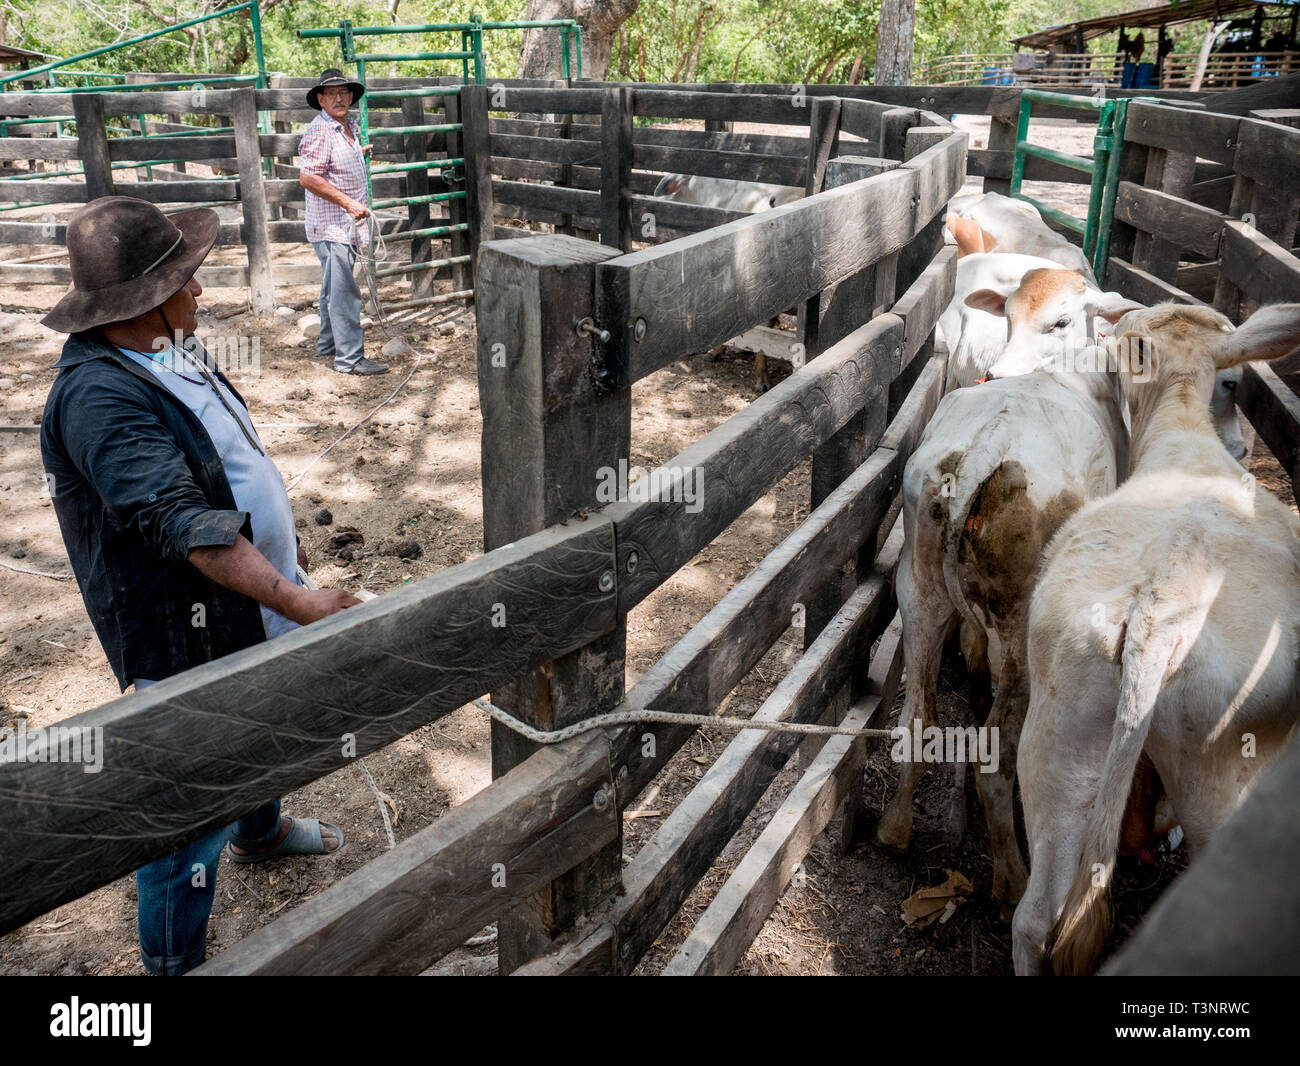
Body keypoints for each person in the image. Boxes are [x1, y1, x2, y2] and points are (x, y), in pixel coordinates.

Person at [39, 196, 361, 975]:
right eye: (187, 279)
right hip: (184, 630)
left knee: (267, 718)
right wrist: (294, 599)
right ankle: (173, 965)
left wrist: (288, 561)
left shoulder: (166, 346)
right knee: (188, 798)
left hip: (245, 601)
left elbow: (228, 459)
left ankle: (261, 832)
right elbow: (186, 524)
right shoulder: (97, 399)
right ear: (146, 299)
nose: (200, 292)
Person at [299, 67, 389, 376]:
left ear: (350, 97)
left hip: (341, 225)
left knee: (332, 289)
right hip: (332, 225)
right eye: (332, 94)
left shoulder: (347, 128)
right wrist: (349, 202)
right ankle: (349, 359)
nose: (339, 98)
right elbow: (308, 177)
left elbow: (330, 163)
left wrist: (357, 152)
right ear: (321, 100)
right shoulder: (320, 130)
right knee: (344, 293)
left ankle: (328, 344)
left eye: (344, 93)